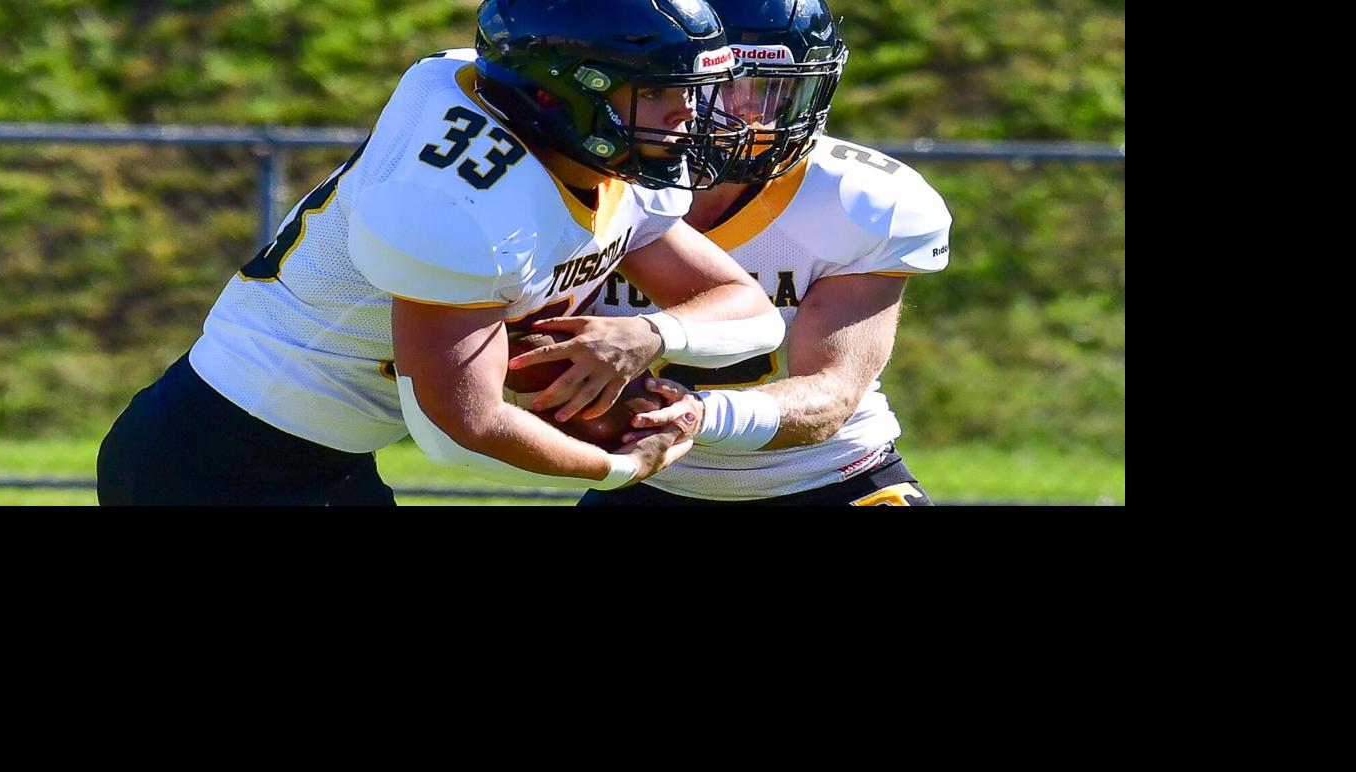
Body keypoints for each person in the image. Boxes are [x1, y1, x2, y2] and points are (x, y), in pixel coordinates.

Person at [97, 0, 786, 505]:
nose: (690, 117)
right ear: (559, 93)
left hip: (326, 458)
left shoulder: (593, 154)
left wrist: (648, 334)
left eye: (694, 92)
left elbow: (752, 314)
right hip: (214, 460)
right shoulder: (462, 204)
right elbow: (459, 430)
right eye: (662, 94)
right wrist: (617, 468)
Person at [566, 0, 952, 507]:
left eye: (774, 91)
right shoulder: (580, 179)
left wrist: (696, 416)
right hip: (651, 482)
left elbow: (830, 395)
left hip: (829, 480)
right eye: (724, 86)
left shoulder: (856, 201)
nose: (749, 112)